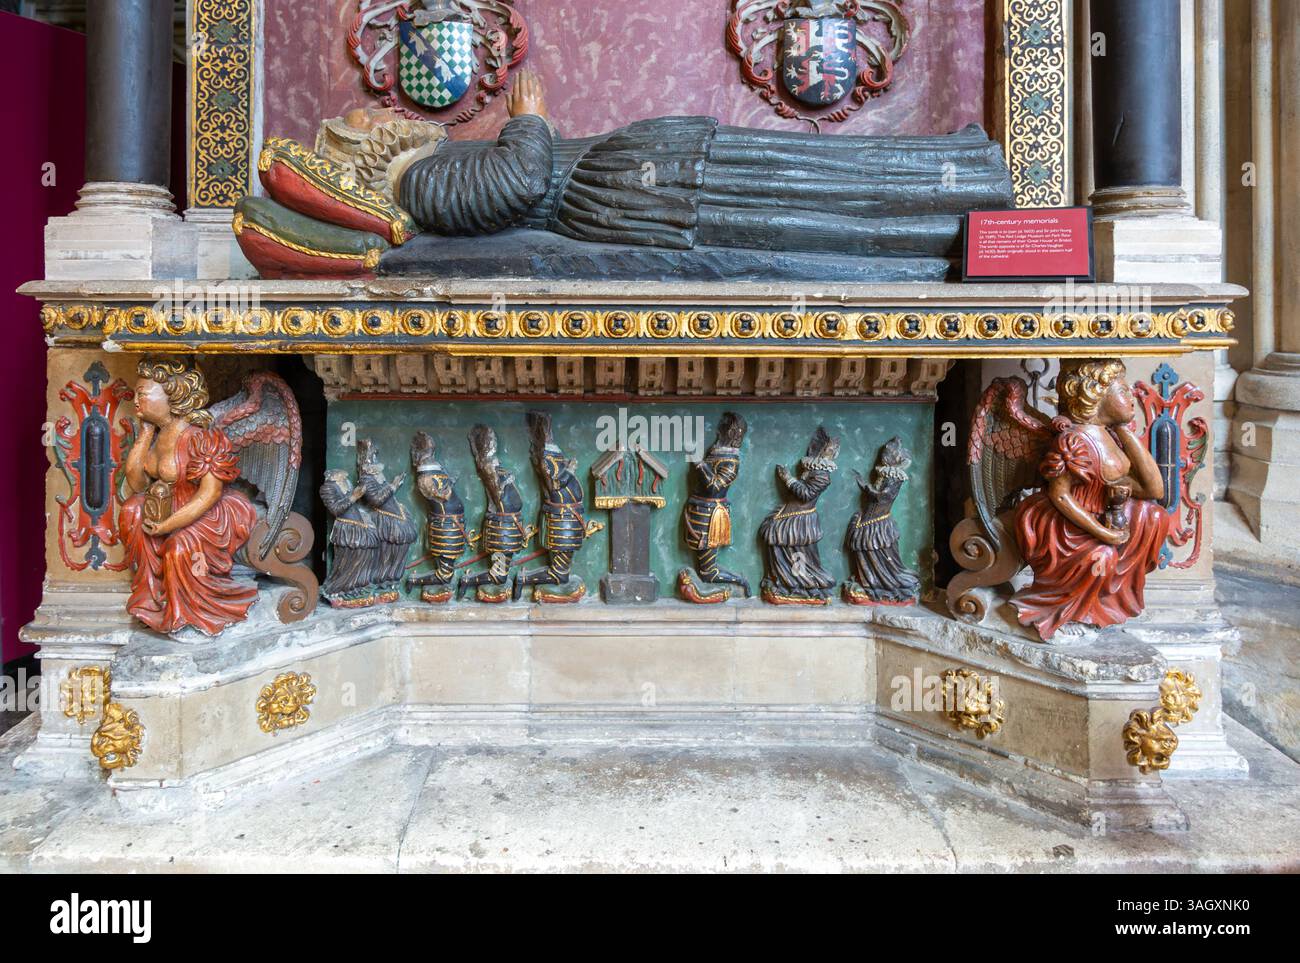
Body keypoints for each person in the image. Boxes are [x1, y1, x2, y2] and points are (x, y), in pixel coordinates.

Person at [389, 69, 1014, 259]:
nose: (371, 117)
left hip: (630, 176)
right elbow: (517, 185)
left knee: (800, 177)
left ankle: (953, 184)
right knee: (792, 189)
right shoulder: (415, 178)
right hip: (622, 191)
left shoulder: (429, 163)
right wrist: (526, 115)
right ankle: (953, 203)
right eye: (356, 127)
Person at [1012, 361, 1172, 639]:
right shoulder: (1073, 440)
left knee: (1156, 517)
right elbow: (1059, 496)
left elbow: (1154, 489)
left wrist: (1124, 430)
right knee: (1103, 555)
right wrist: (1101, 532)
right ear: (1095, 396)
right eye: (1123, 392)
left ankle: (1108, 599)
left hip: (1101, 511)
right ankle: (1065, 611)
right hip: (1062, 525)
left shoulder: (1111, 436)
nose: (1132, 398)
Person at [119, 359, 257, 635]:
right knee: (133, 510)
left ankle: (191, 613)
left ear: (173, 397)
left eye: (143, 394)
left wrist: (168, 526)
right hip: (171, 505)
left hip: (209, 511)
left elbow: (209, 494)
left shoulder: (201, 439)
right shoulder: (159, 435)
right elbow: (137, 483)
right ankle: (152, 598)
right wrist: (145, 433)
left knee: (178, 546)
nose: (136, 400)